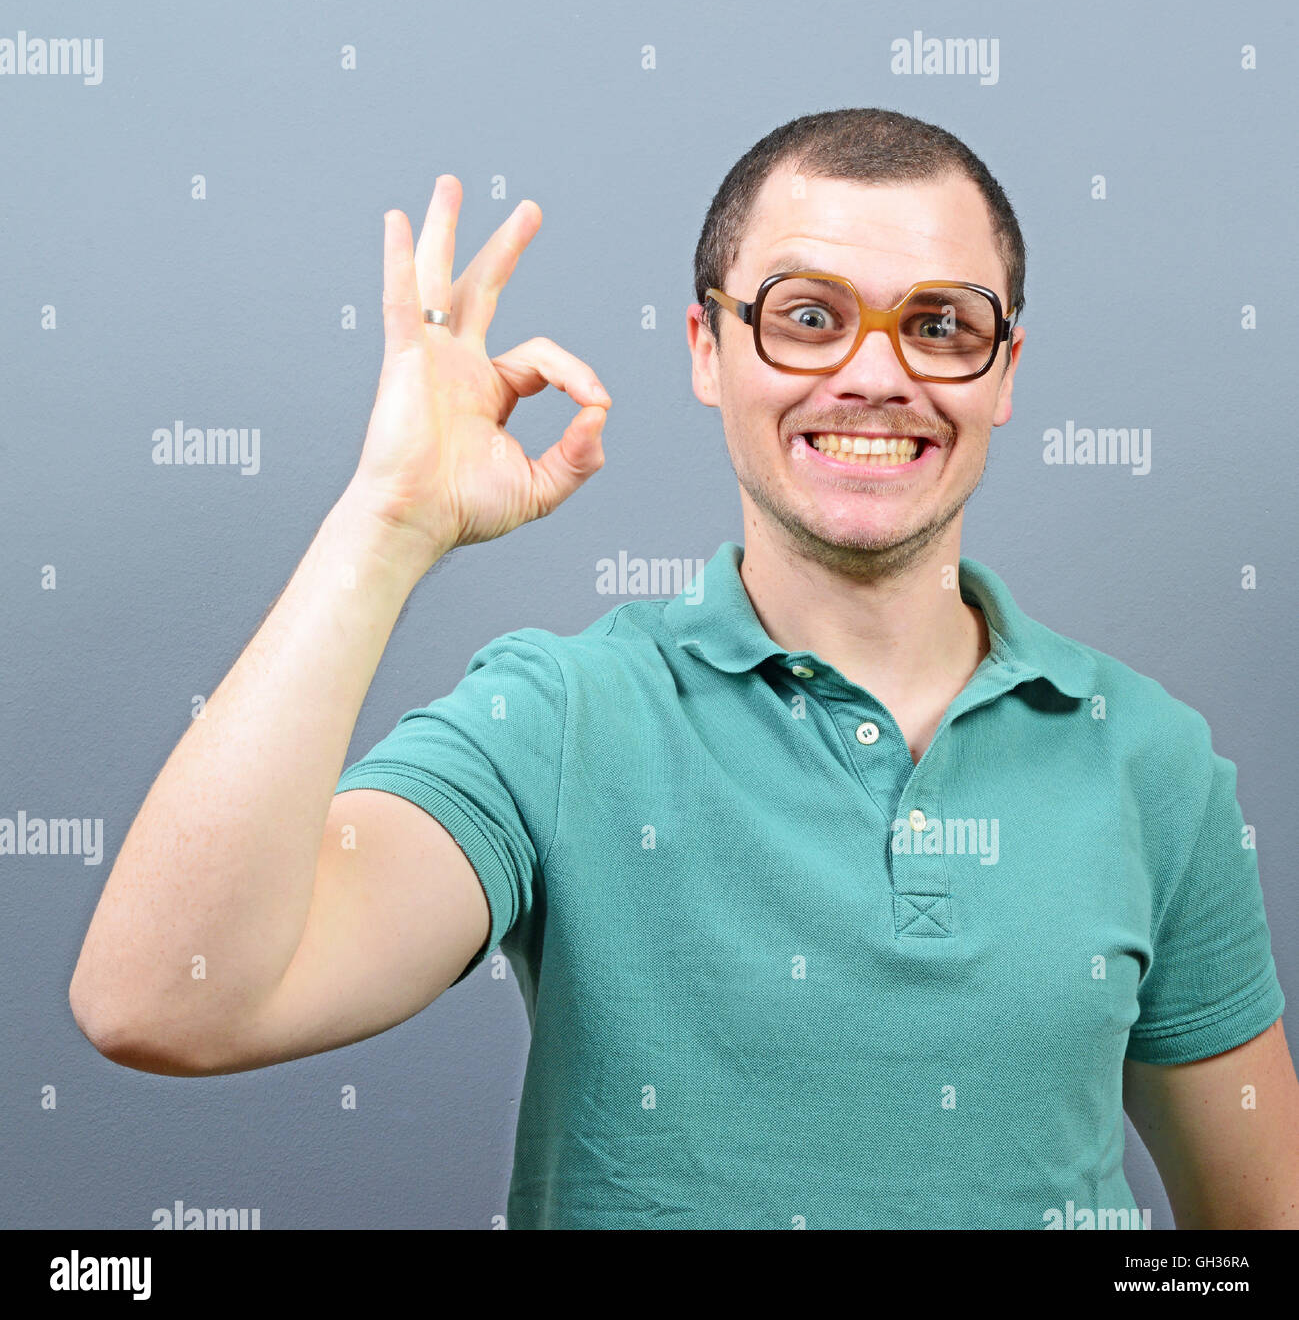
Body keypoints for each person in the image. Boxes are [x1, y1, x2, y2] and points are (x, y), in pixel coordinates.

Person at [69, 108, 1298, 1230]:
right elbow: (165, 1001)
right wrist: (388, 523)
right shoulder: (557, 718)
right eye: (809, 315)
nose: (876, 373)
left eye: (939, 325)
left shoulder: (1150, 756)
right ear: (710, 348)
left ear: (1006, 373)